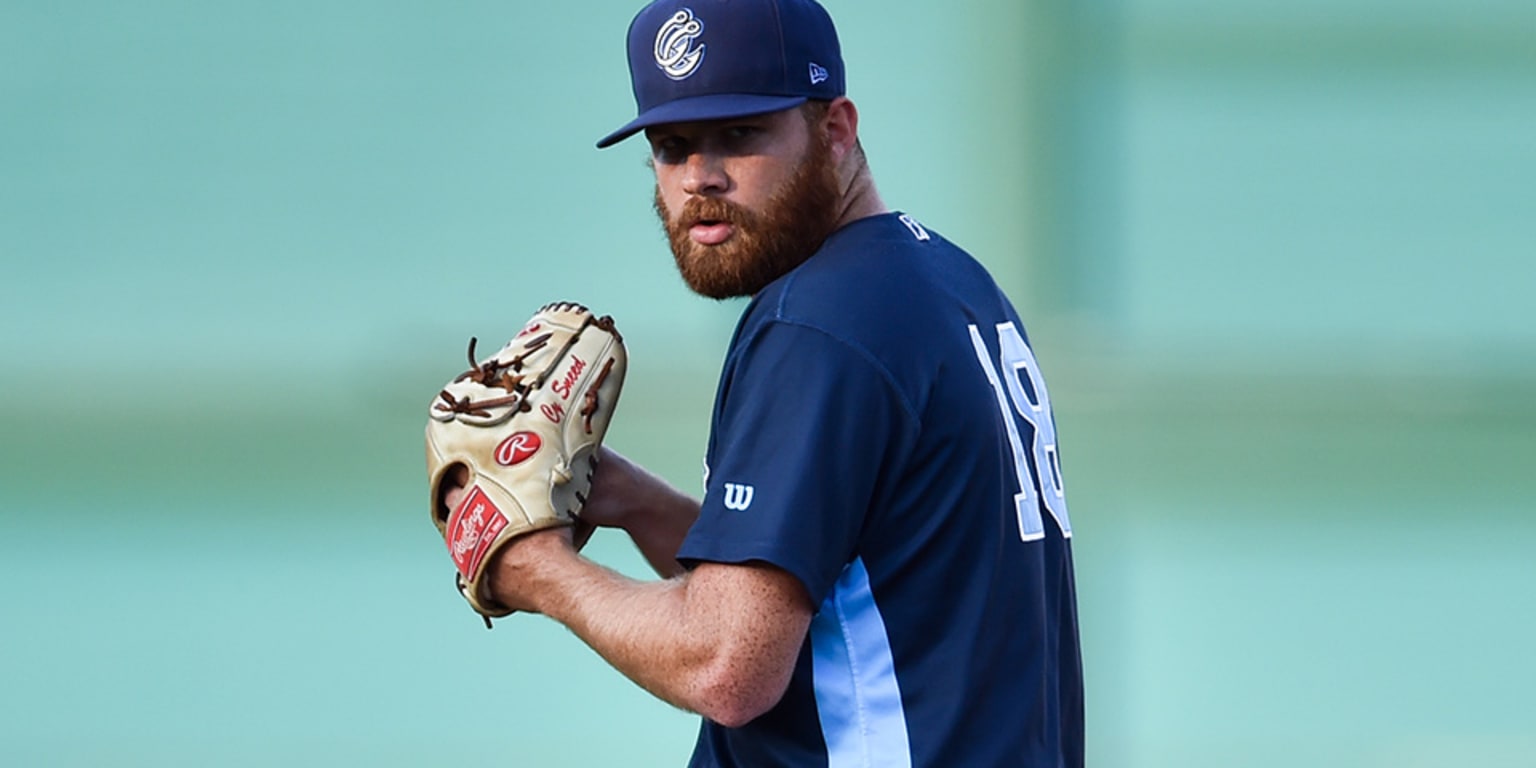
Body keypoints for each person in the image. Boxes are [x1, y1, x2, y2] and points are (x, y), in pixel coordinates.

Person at [447, 0, 1084, 764]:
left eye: (741, 135)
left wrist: (537, 572)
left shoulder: (817, 326)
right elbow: (826, 602)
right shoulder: (945, 281)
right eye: (672, 145)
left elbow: (727, 665)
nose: (700, 179)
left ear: (836, 129)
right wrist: (633, 501)